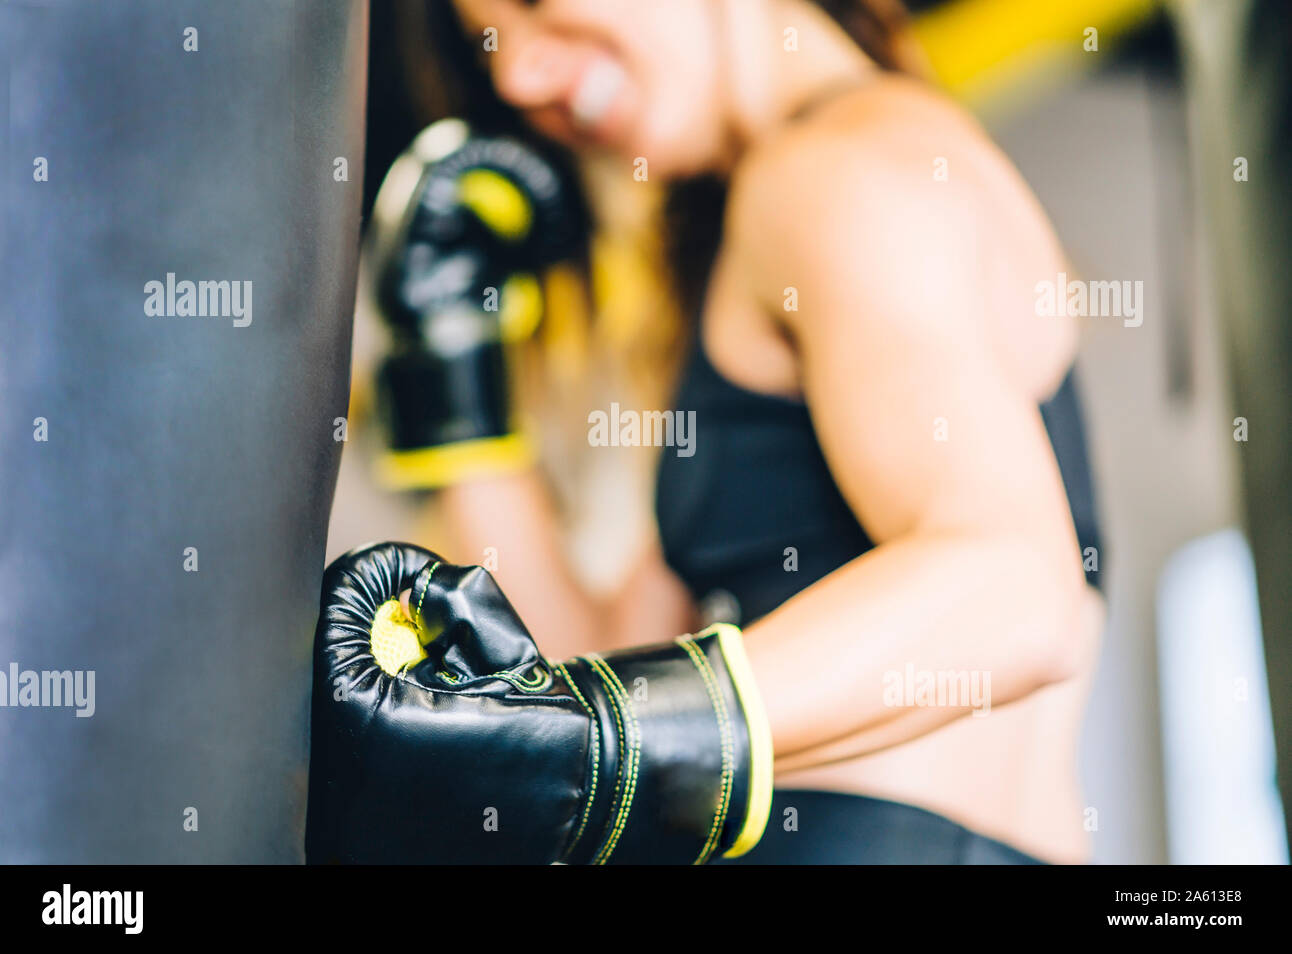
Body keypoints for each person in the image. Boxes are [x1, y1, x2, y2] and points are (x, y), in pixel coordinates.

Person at [314, 0, 1105, 865]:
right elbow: (583, 683)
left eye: (537, 4)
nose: (517, 74)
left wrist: (609, 733)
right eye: (490, 45)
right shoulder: (768, 223)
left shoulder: (842, 167)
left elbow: (1019, 589)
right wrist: (457, 391)